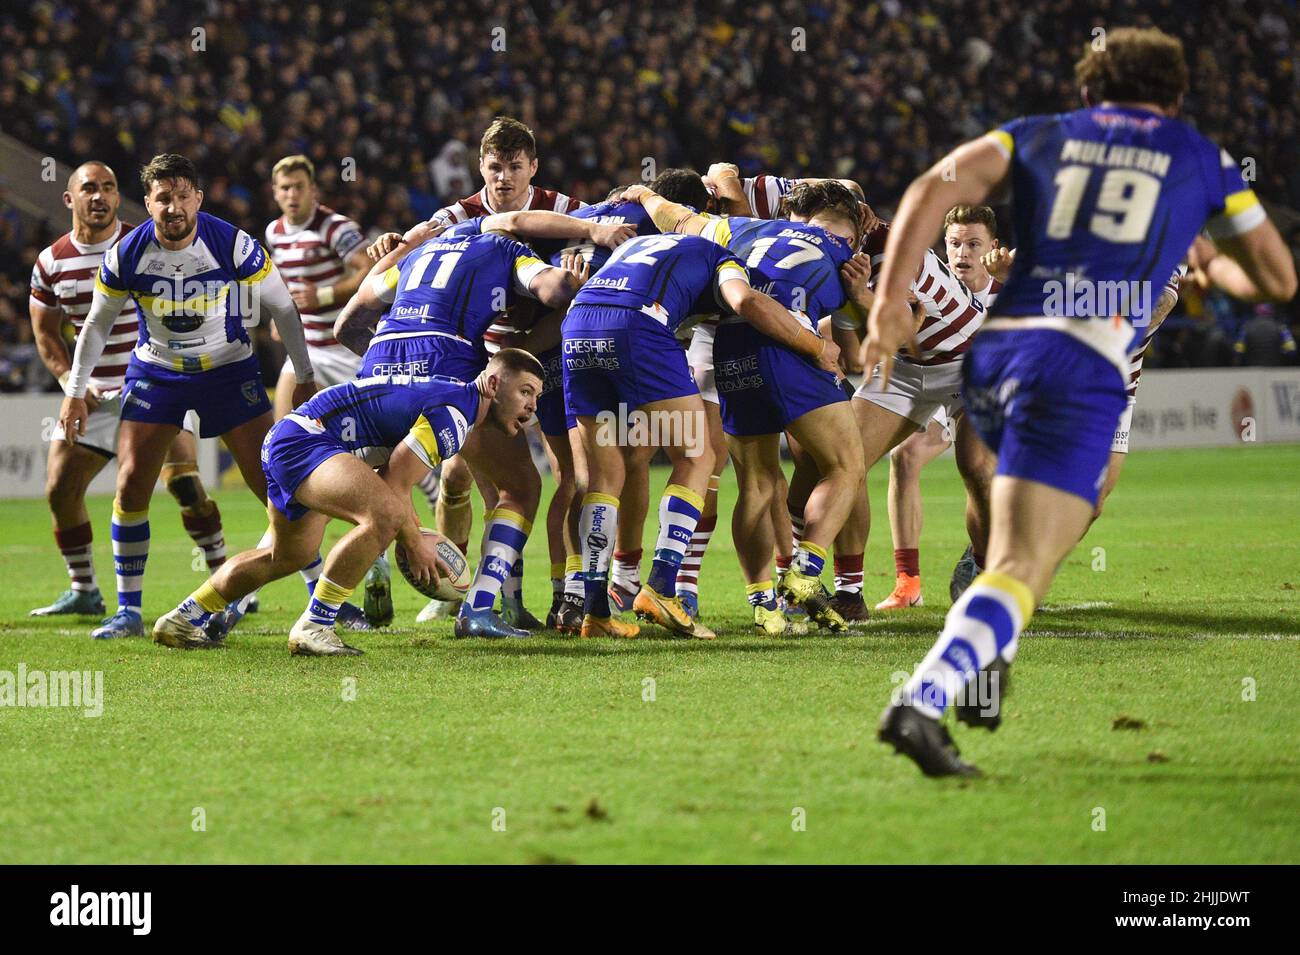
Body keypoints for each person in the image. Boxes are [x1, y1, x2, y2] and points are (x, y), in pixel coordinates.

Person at [868, 27, 1297, 776]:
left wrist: (884, 312)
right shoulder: (1199, 154)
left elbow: (931, 189)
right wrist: (1208, 263)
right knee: (1031, 562)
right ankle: (923, 697)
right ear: (1175, 96)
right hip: (1080, 361)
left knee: (1008, 547)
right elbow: (1277, 280)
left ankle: (984, 651)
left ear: (1089, 91)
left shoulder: (1038, 133)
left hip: (998, 350)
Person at [57, 153, 319, 639]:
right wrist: (74, 392)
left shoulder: (232, 243)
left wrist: (302, 373)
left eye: (182, 196)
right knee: (133, 482)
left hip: (228, 369)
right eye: (162, 198)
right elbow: (95, 326)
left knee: (274, 484)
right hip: (158, 372)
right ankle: (128, 611)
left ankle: (319, 598)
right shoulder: (127, 254)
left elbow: (283, 308)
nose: (173, 207)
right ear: (149, 203)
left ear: (197, 197)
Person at [153, 350, 545, 655]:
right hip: (308, 441)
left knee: (287, 555)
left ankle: (184, 617)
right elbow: (393, 485)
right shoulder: (455, 414)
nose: (531, 406)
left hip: (293, 439)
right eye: (524, 391)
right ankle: (314, 627)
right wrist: (415, 541)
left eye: (537, 397)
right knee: (386, 515)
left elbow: (387, 476)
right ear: (493, 384)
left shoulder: (451, 399)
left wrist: (411, 532)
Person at [562, 230, 842, 639]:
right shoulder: (722, 257)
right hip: (639, 325)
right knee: (697, 456)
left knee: (604, 477)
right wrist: (816, 347)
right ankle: (661, 587)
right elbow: (745, 301)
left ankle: (596, 612)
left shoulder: (636, 246)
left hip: (579, 326)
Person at [624, 178, 873, 633]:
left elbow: (678, 218)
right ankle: (805, 572)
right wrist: (867, 299)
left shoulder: (746, 229)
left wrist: (643, 194)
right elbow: (859, 352)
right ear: (851, 232)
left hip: (731, 346)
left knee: (757, 484)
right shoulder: (847, 257)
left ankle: (763, 605)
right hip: (790, 343)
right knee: (846, 465)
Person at [366, 116, 586, 627]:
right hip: (478, 359)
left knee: (564, 474)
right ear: (479, 169)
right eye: (494, 168)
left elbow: (585, 263)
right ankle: (472, 593)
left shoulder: (566, 211)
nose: (504, 178)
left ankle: (557, 593)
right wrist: (394, 246)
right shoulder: (455, 216)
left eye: (514, 167)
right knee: (468, 478)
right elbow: (410, 256)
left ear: (533, 167)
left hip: (544, 355)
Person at [336, 219, 585, 638]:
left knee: (377, 484)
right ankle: (480, 608)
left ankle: (323, 598)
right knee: (521, 487)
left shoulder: (419, 255)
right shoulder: (507, 250)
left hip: (378, 364)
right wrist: (572, 277)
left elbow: (350, 321)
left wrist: (397, 372)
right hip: (446, 360)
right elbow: (553, 289)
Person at [29, 160, 226, 620]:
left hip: (155, 383)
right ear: (69, 199)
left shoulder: (146, 244)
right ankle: (83, 589)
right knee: (60, 489)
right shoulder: (51, 262)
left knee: (185, 486)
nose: (99, 197)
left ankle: (225, 578)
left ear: (119, 198)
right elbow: (45, 334)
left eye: (109, 188)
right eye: (89, 189)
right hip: (95, 395)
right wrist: (70, 385)